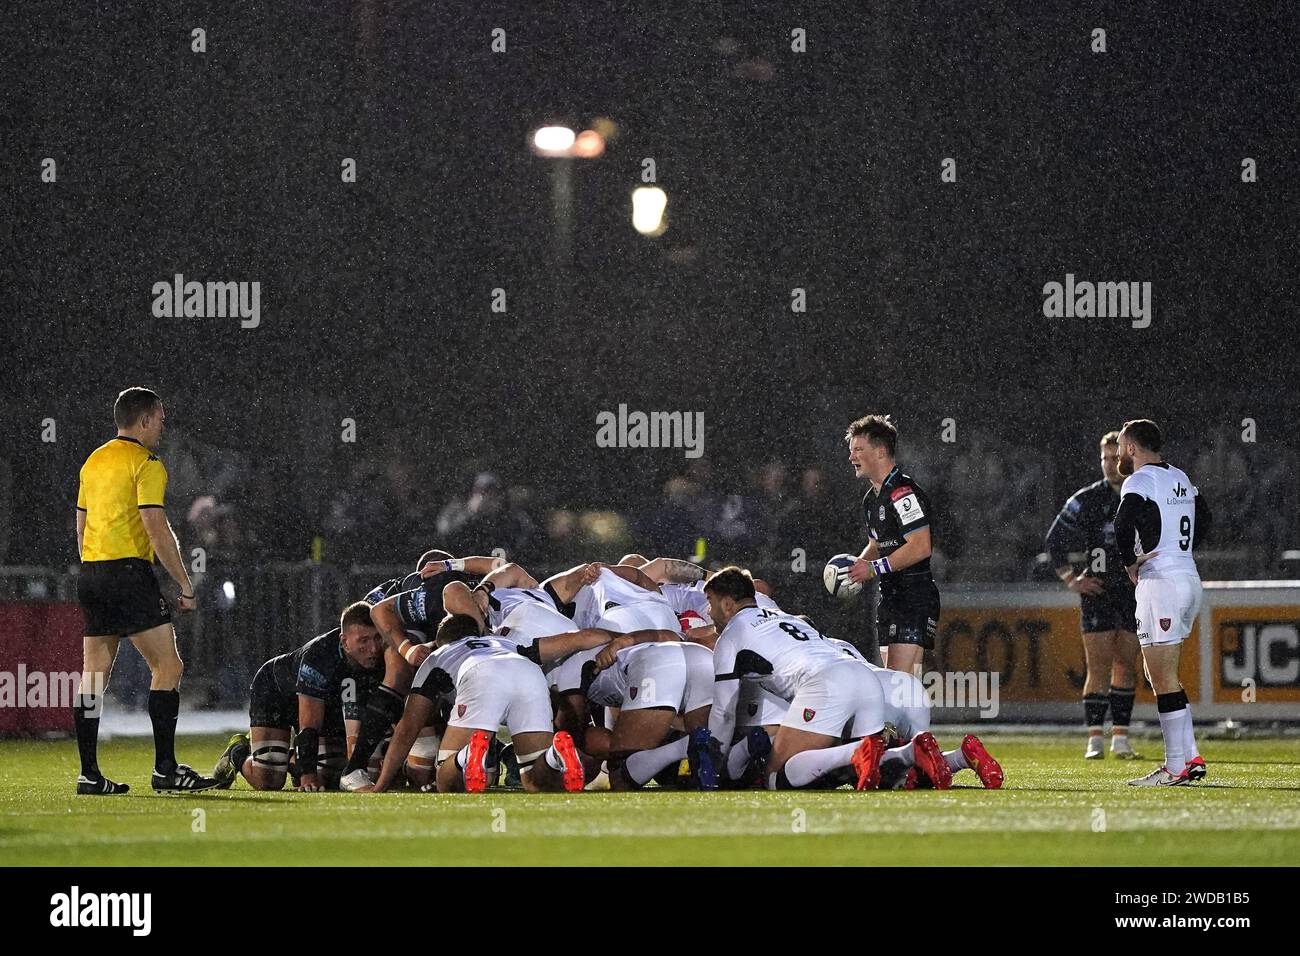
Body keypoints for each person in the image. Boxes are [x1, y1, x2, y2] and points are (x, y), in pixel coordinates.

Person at [72, 387, 217, 794]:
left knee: (93, 676)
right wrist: (185, 584)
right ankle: (165, 770)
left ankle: (89, 774)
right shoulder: (147, 464)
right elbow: (155, 527)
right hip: (129, 574)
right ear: (146, 420)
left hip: (92, 572)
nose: (163, 427)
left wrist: (97, 565)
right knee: (168, 667)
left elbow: (81, 528)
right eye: (161, 419)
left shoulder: (93, 461)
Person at [1112, 420, 1212, 787]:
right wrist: (1179, 552)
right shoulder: (1181, 477)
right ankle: (1190, 757)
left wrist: (1130, 563)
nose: (1121, 454)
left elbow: (1121, 524)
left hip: (1161, 582)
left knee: (1163, 677)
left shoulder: (1138, 479)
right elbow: (1205, 520)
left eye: (1122, 447)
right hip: (1187, 577)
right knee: (1161, 675)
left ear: (1133, 448)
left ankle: (1173, 767)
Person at [210, 602, 388, 791]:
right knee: (269, 780)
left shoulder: (385, 652)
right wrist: (307, 776)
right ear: (344, 641)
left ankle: (291, 759)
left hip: (327, 704)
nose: (373, 648)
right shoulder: (319, 657)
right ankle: (238, 753)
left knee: (332, 775)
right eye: (364, 641)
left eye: (377, 638)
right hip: (276, 693)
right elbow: (309, 725)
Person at [1045, 430, 1142, 759]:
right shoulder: (1085, 499)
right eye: (1104, 459)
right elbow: (1053, 540)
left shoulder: (1140, 494)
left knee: (1126, 665)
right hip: (1098, 592)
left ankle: (1121, 738)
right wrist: (1072, 580)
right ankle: (1094, 740)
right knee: (1098, 667)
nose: (1109, 465)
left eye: (1115, 458)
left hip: (1131, 593)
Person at [844, 415, 941, 675]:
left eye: (858, 450)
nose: (852, 457)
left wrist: (873, 569)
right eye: (851, 450)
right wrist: (855, 568)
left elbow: (920, 546)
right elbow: (876, 543)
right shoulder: (870, 500)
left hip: (914, 595)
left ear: (881, 451)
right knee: (894, 684)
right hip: (890, 597)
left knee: (899, 685)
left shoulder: (902, 492)